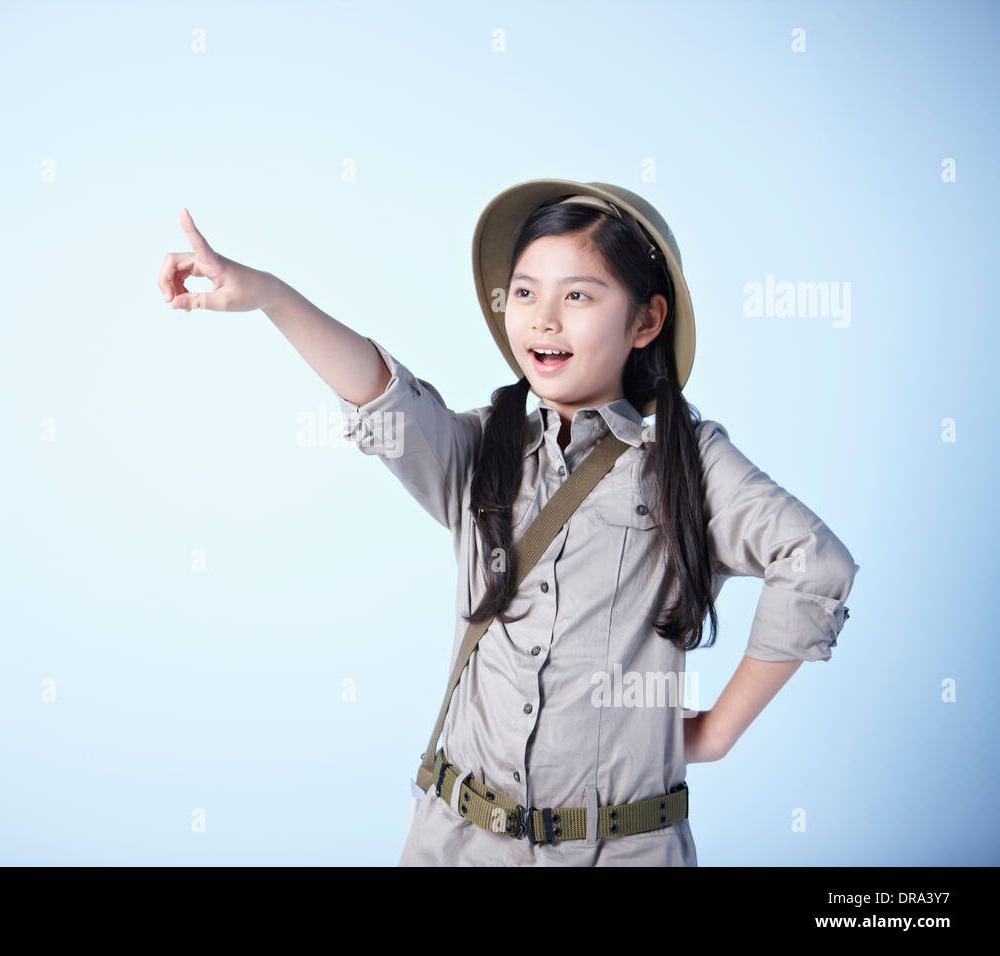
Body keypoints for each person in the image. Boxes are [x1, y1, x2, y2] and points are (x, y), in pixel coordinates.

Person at [156, 180, 859, 866]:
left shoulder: (688, 464)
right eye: (525, 292)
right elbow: (379, 395)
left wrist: (716, 734)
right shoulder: (483, 450)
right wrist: (271, 296)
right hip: (453, 839)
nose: (542, 319)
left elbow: (815, 561)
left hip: (620, 848)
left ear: (646, 320)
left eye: (578, 295)